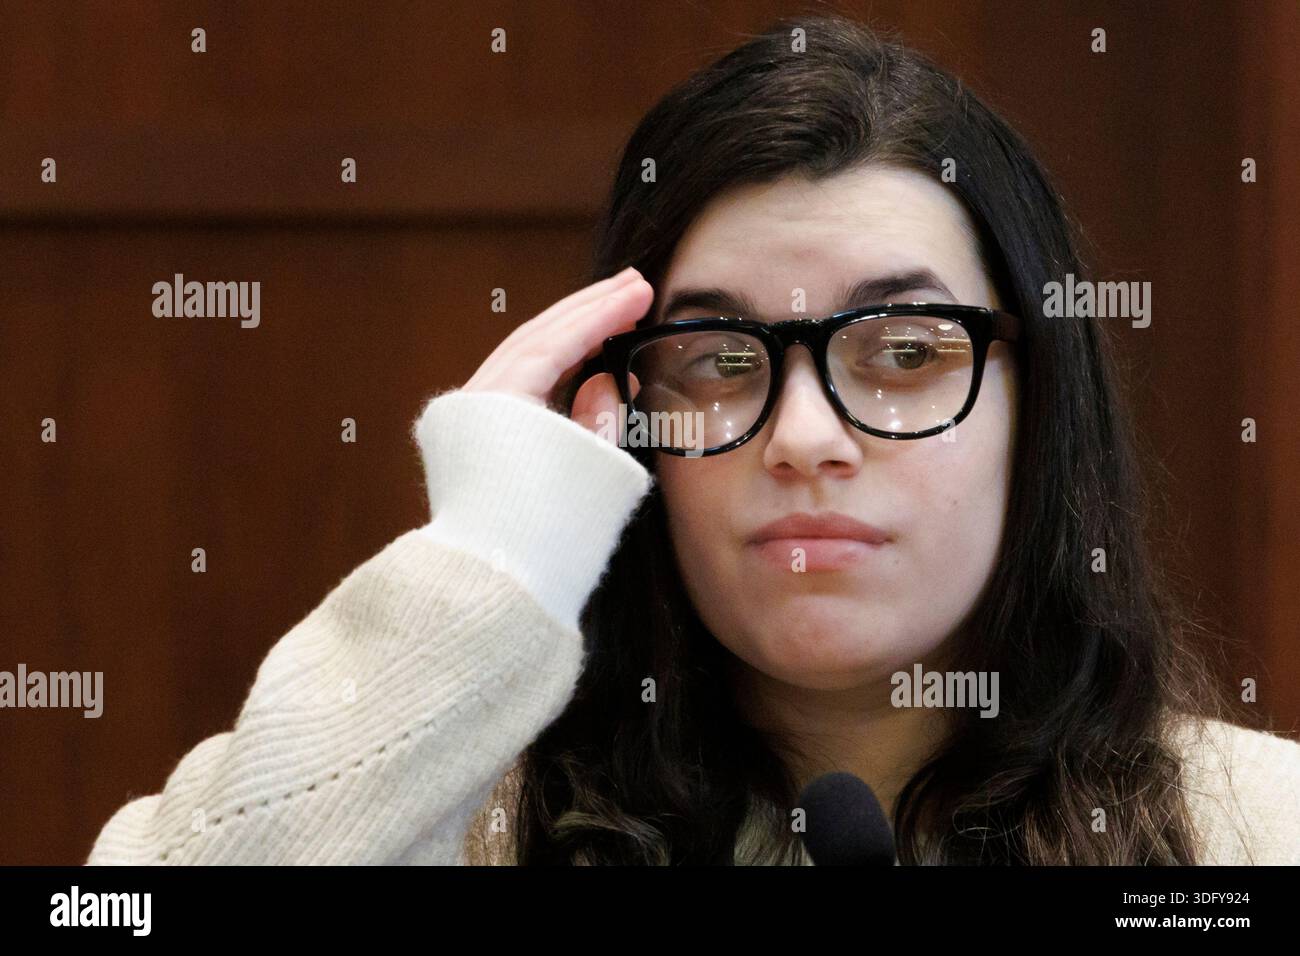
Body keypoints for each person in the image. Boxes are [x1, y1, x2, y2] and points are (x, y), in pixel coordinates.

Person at [88, 14, 1300, 866]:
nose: (808, 436)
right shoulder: (466, 832)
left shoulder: (1259, 827)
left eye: (904, 349)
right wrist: (483, 567)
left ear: (1038, 408)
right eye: (719, 364)